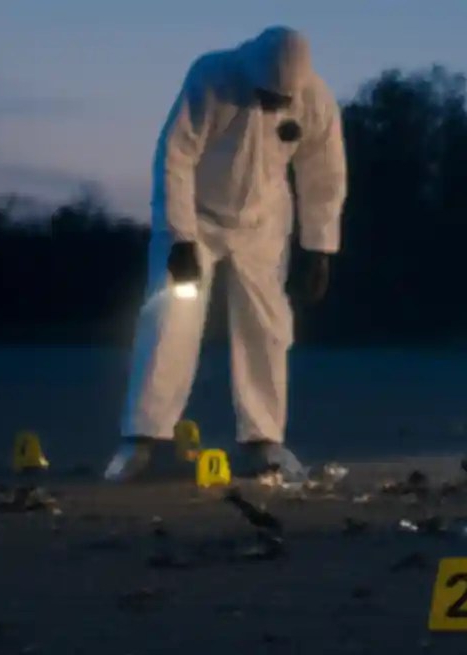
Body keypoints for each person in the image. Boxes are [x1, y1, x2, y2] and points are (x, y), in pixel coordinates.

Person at [104, 27, 347, 482]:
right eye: (267, 98)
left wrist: (320, 246)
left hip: (263, 225)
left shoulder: (316, 100)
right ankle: (141, 438)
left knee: (267, 325)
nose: (274, 107)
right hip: (196, 217)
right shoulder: (212, 77)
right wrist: (179, 237)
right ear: (251, 74)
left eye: (282, 101)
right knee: (171, 321)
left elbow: (323, 172)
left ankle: (264, 440)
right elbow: (174, 156)